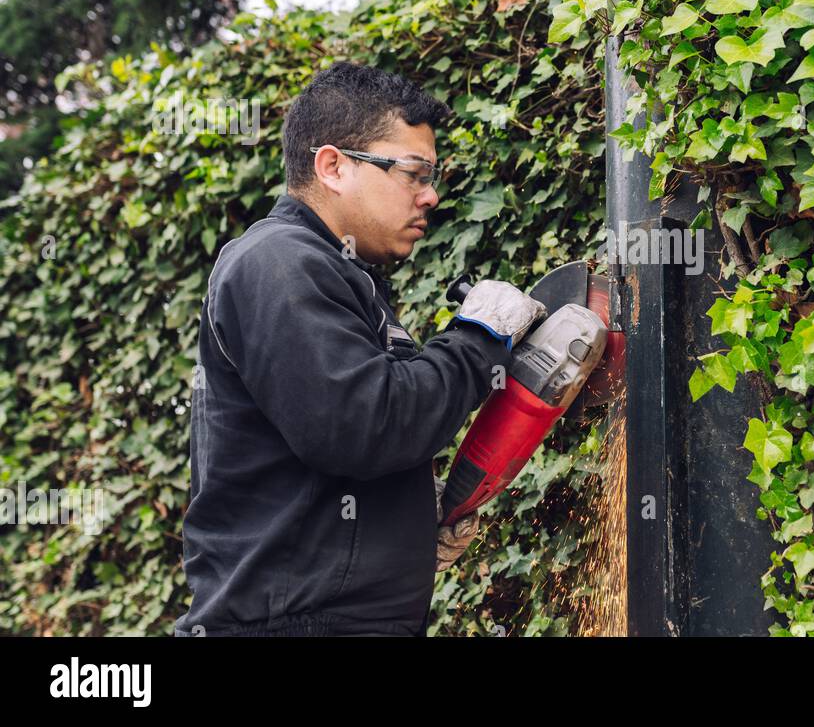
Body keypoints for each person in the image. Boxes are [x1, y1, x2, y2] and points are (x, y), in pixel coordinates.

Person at [173, 62, 545, 636]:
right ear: (333, 167)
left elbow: (338, 442)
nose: (432, 196)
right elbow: (364, 426)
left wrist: (406, 517)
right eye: (414, 174)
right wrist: (480, 338)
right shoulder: (278, 264)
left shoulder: (338, 274)